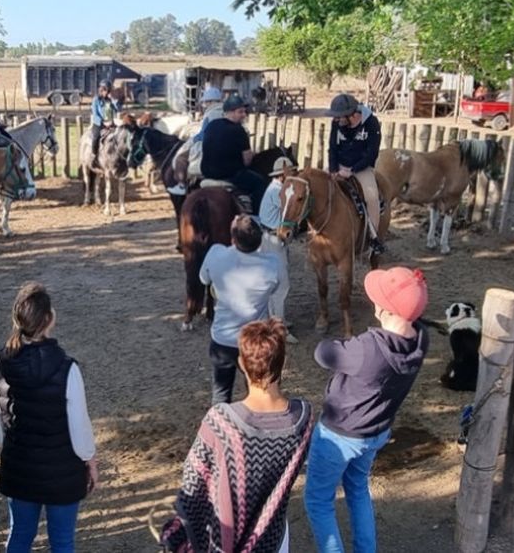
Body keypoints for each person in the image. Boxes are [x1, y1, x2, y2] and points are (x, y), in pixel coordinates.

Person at [160, 318, 314, 552]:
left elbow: (193, 484)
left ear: (242, 363)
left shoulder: (222, 421)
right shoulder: (304, 416)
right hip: (274, 538)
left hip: (224, 539)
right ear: (284, 362)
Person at [304, 266, 430, 553]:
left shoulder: (367, 349)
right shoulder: (420, 340)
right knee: (358, 489)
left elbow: (322, 353)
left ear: (384, 311)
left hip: (339, 434)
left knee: (319, 502)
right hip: (377, 431)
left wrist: (345, 344)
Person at [0, 282, 98, 553]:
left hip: (20, 467)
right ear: (49, 319)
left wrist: (8, 450)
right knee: (62, 542)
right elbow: (79, 425)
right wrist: (90, 460)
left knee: (19, 536)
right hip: (62, 473)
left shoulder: (2, 363)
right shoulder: (67, 368)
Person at [198, 215, 280, 404]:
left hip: (223, 339)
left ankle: (219, 428)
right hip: (255, 341)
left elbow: (204, 279)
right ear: (260, 241)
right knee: (259, 392)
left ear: (233, 239)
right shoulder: (272, 264)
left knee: (220, 394)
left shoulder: (215, 253)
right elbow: (274, 289)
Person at [326, 93, 382, 250]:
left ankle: (374, 237)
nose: (336, 120)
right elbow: (332, 148)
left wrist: (352, 171)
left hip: (361, 167)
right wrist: (333, 169)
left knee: (372, 197)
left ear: (351, 114)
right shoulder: (337, 123)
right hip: (340, 165)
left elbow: (372, 153)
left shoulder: (371, 123)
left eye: (339, 117)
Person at [201, 95, 267, 213]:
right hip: (229, 175)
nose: (244, 115)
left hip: (206, 172)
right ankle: (257, 217)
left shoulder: (212, 125)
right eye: (240, 112)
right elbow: (247, 160)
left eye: (244, 112)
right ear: (230, 112)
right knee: (260, 183)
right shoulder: (239, 130)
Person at [258, 156, 297, 342]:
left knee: (273, 283)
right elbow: (292, 208)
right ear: (283, 174)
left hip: (270, 237)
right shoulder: (278, 192)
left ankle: (274, 320)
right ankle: (279, 329)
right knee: (282, 285)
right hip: (274, 240)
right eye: (291, 173)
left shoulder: (273, 188)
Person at [88, 80, 120, 161]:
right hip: (99, 124)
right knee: (96, 137)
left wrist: (113, 100)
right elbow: (95, 114)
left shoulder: (110, 100)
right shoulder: (96, 100)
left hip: (111, 123)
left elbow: (117, 110)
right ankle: (94, 155)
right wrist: (103, 122)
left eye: (108, 90)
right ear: (101, 90)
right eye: (105, 90)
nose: (107, 92)